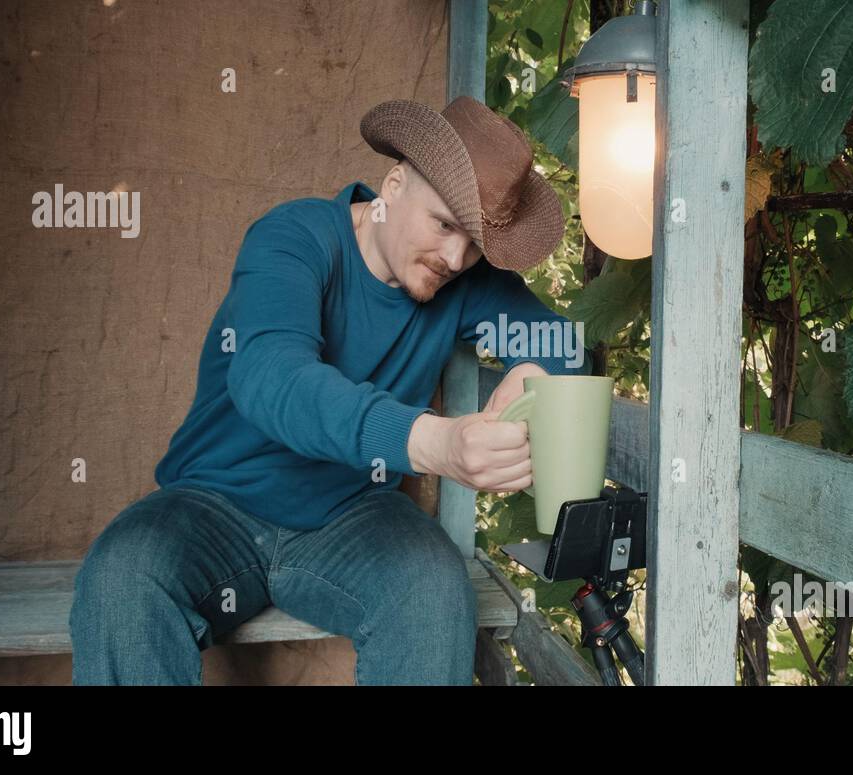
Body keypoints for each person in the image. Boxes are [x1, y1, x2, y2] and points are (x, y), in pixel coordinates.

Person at [69, 96, 591, 685]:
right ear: (393, 186)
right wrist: (434, 443)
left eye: (474, 244)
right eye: (445, 225)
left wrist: (537, 376)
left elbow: (567, 345)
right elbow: (270, 375)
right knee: (121, 577)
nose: (453, 257)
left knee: (433, 590)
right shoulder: (294, 237)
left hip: (354, 513)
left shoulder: (463, 279)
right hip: (214, 502)